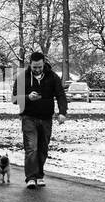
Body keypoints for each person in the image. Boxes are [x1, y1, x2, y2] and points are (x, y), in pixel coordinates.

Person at [13, 50, 68, 188]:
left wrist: (62, 112)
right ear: (29, 64)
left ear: (44, 64)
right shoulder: (22, 77)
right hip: (28, 117)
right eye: (34, 67)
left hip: (46, 118)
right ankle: (31, 177)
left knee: (43, 148)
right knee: (31, 147)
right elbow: (14, 98)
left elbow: (61, 95)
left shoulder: (52, 77)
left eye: (40, 67)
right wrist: (27, 97)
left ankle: (39, 175)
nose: (37, 70)